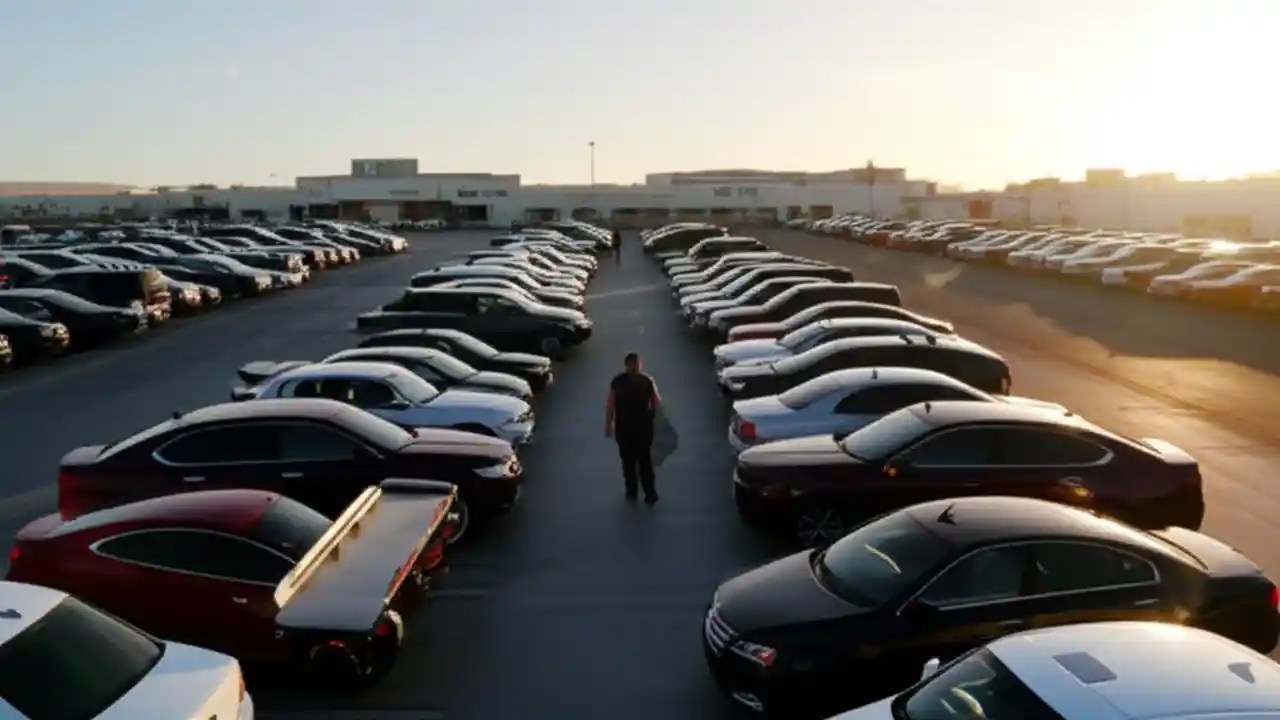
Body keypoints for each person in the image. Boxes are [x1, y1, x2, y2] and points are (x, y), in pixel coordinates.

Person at [605, 352, 661, 504]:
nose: (636, 367)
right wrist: (608, 424)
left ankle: (635, 491)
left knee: (636, 462)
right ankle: (647, 493)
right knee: (640, 462)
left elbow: (610, 405)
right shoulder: (645, 381)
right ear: (629, 365)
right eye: (635, 364)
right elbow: (657, 403)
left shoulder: (620, 382)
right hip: (637, 428)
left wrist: (608, 425)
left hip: (629, 429)